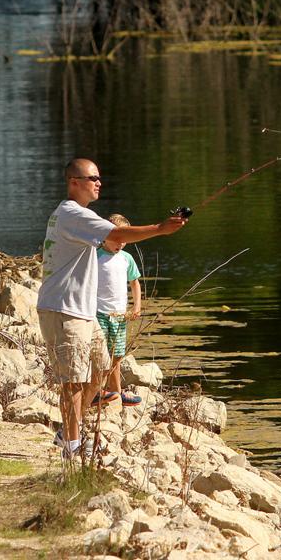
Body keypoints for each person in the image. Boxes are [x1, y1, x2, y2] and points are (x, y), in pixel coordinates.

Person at [37, 158, 187, 459]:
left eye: (99, 177)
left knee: (101, 370)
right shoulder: (73, 214)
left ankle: (69, 431)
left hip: (81, 311)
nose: (98, 182)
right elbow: (117, 235)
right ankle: (73, 448)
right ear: (73, 182)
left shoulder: (78, 215)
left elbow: (110, 236)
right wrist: (160, 228)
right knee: (73, 381)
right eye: (92, 178)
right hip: (64, 310)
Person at [96, 213, 143, 408]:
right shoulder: (95, 255)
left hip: (119, 315)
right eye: (116, 239)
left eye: (124, 240)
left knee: (117, 354)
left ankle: (116, 391)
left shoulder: (126, 258)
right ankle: (97, 390)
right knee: (99, 354)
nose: (120, 244)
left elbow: (135, 282)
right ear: (104, 235)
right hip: (98, 312)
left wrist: (137, 305)